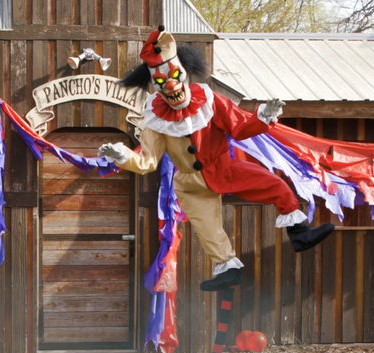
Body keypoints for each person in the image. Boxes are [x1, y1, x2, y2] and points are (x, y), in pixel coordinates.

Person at [98, 26, 334, 291]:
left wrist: (263, 115)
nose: (171, 86)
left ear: (184, 73)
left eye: (175, 76)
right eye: (162, 82)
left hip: (223, 168)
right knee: (208, 230)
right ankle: (228, 269)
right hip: (190, 183)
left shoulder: (208, 99)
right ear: (156, 85)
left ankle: (300, 234)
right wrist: (122, 155)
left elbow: (239, 127)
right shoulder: (155, 117)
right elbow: (148, 161)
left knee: (273, 184)